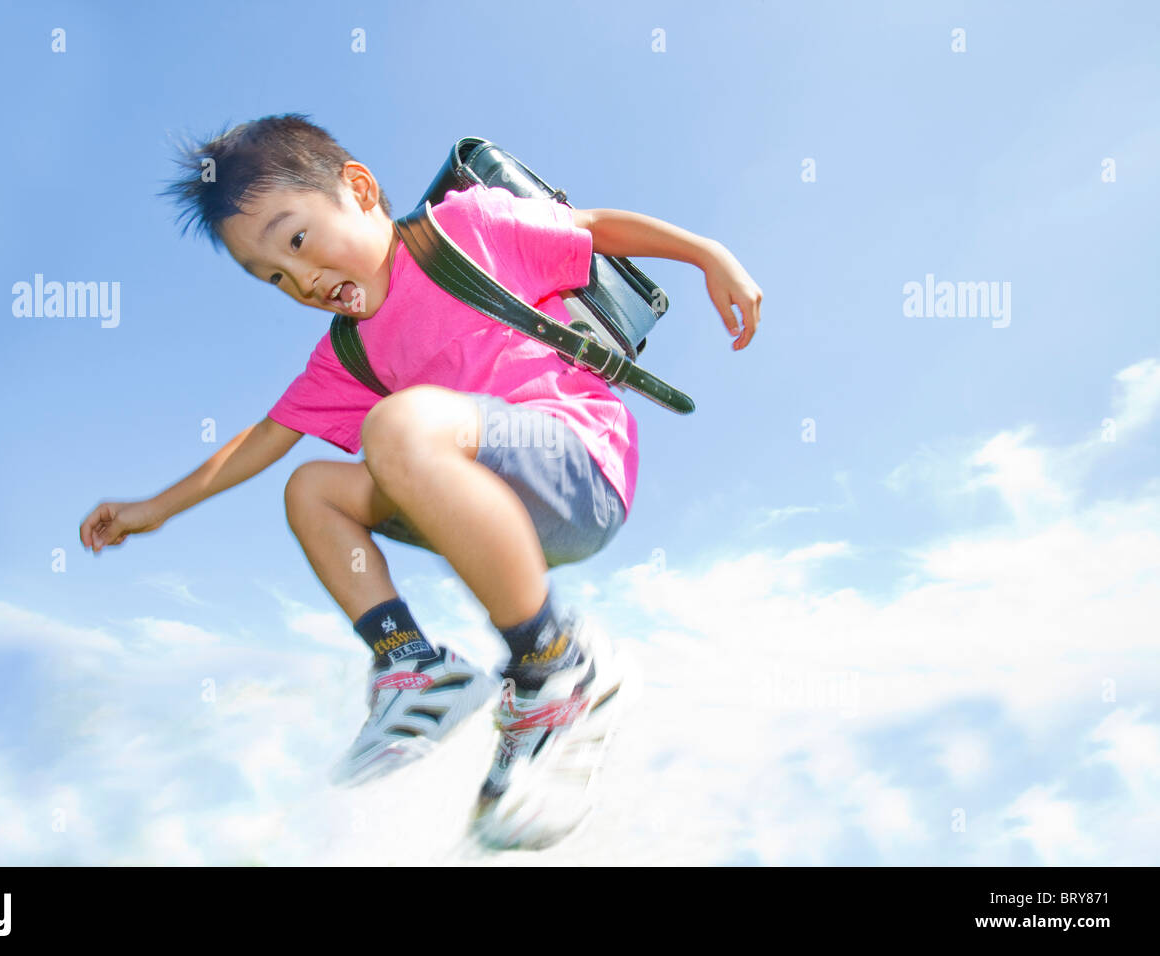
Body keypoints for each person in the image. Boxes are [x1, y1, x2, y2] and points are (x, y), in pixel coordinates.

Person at [78, 113, 762, 850]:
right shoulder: (345, 352)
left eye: (297, 241)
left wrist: (707, 253)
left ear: (360, 189)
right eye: (274, 278)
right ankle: (414, 666)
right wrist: (154, 508)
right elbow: (263, 442)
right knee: (312, 488)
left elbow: (592, 226)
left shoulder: (462, 231)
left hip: (575, 462)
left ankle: (554, 665)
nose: (301, 280)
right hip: (494, 517)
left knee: (398, 427)